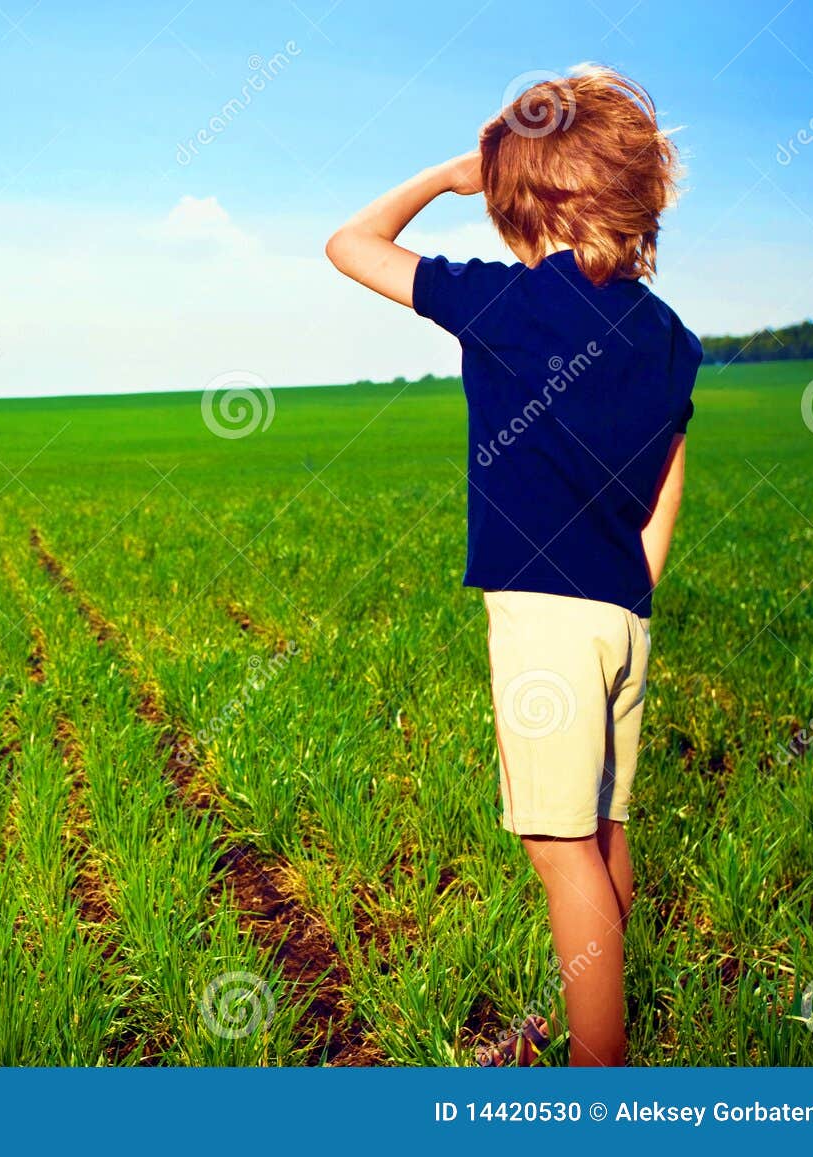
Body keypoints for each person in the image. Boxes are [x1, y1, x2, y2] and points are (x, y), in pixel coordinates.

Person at [324, 64, 700, 1066]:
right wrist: (633, 586)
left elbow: (349, 244)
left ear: (517, 200)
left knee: (557, 848)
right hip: (623, 612)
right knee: (605, 831)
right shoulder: (669, 336)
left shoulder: (506, 304)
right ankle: (592, 1026)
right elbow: (668, 479)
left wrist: (446, 176)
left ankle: (594, 1079)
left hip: (543, 618)